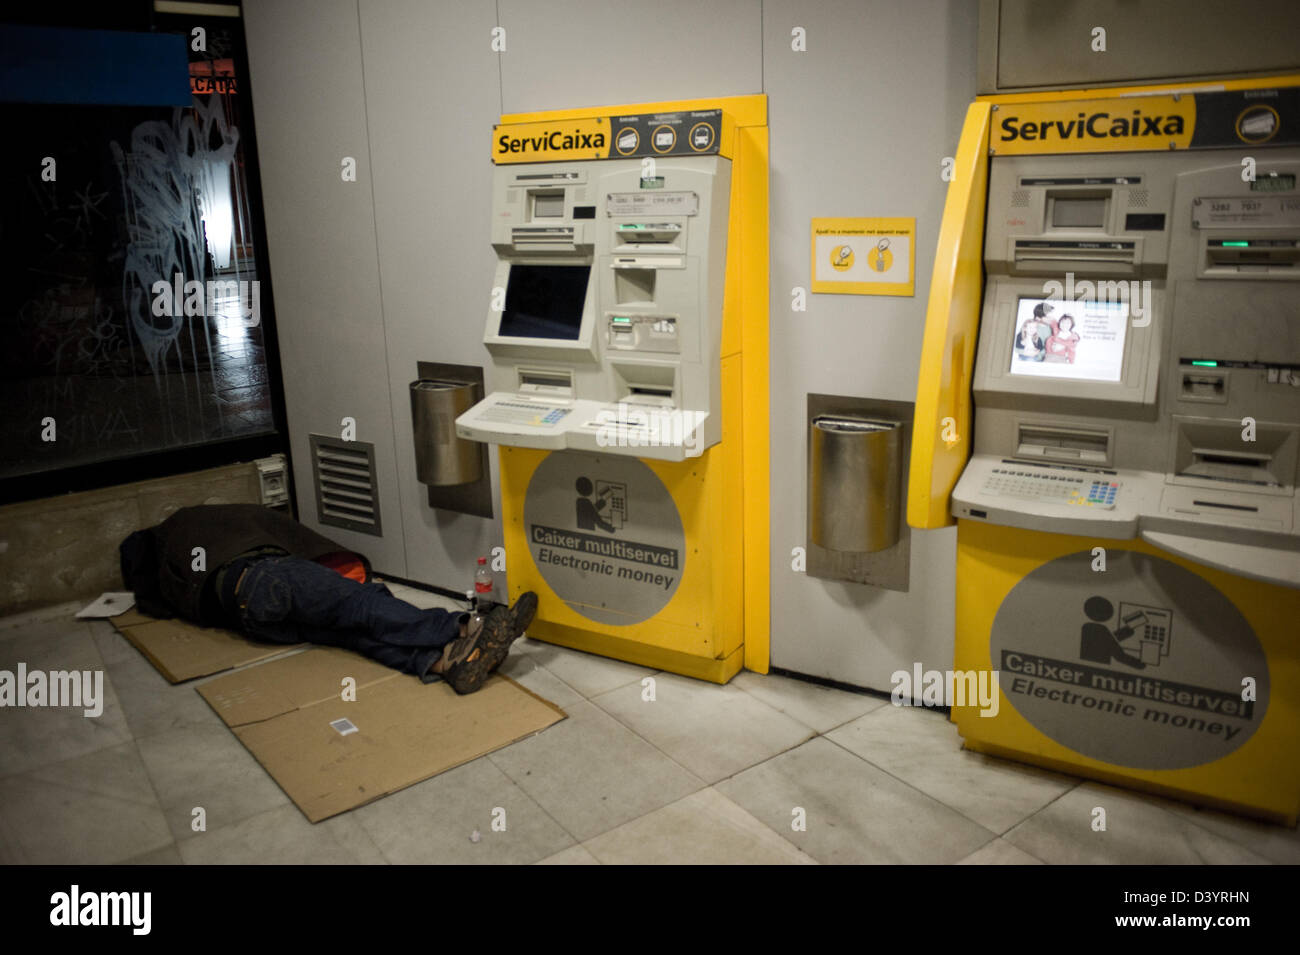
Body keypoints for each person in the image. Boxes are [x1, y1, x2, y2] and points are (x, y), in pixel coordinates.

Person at [120, 504, 535, 695]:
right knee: (359, 605)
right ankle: (463, 627)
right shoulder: (197, 521)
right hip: (265, 579)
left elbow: (153, 599)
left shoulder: (170, 566)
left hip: (253, 620)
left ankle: (446, 663)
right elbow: (281, 529)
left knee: (349, 632)